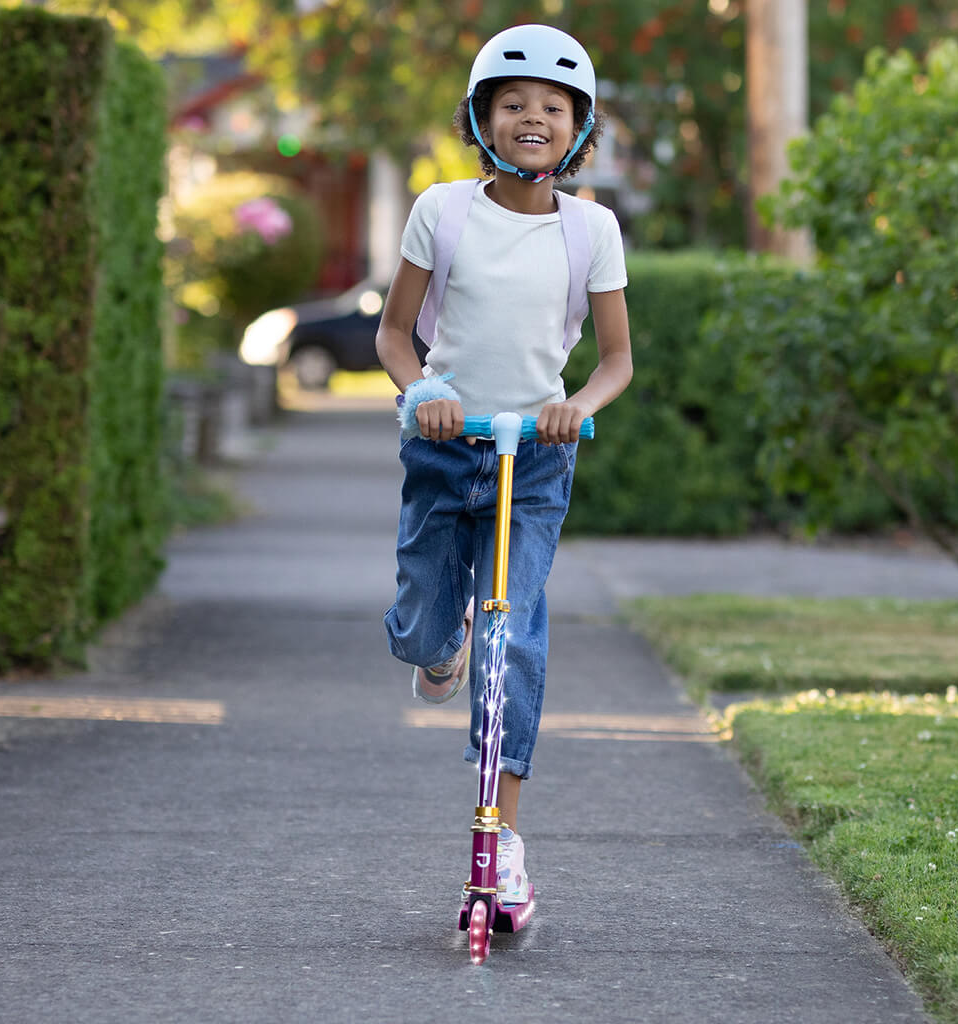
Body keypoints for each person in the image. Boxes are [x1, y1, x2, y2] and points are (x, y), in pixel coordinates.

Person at [376, 23, 632, 904]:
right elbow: (392, 334)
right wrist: (421, 394)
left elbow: (615, 362)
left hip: (533, 463)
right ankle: (433, 652)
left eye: (553, 108)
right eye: (513, 104)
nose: (533, 118)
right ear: (481, 120)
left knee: (512, 639)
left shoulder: (593, 229)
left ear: (579, 126)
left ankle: (505, 838)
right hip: (446, 450)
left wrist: (576, 408)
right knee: (421, 628)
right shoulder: (441, 211)